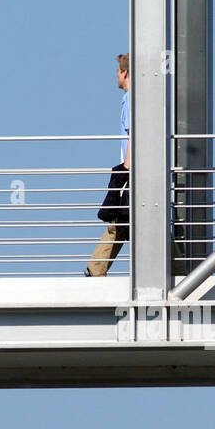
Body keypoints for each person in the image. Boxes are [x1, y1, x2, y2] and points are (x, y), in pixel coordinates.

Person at [85, 53, 131, 277]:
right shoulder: (132, 100)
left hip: (132, 171)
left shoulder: (132, 100)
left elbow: (135, 136)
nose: (116, 76)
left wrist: (125, 169)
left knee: (119, 221)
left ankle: (95, 269)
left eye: (117, 71)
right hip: (134, 171)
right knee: (127, 222)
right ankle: (181, 271)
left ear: (125, 72)